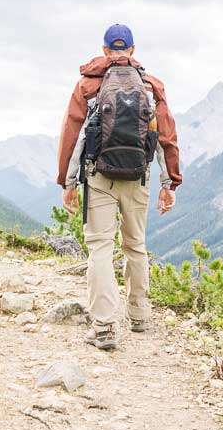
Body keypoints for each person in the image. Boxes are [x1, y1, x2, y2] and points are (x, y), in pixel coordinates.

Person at [56, 23, 182, 350]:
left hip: (99, 177)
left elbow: (73, 133)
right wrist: (170, 183)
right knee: (135, 245)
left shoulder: (89, 84)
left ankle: (105, 327)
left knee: (99, 247)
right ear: (133, 51)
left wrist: (67, 182)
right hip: (138, 177)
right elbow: (166, 136)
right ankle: (139, 316)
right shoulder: (152, 86)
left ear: (104, 51)